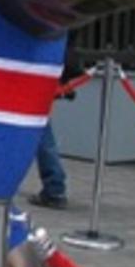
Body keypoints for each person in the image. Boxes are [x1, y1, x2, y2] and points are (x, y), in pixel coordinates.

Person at [26, 55, 84, 209]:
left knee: (43, 139)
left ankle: (54, 188)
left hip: (35, 77)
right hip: (46, 75)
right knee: (43, 138)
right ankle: (55, 187)